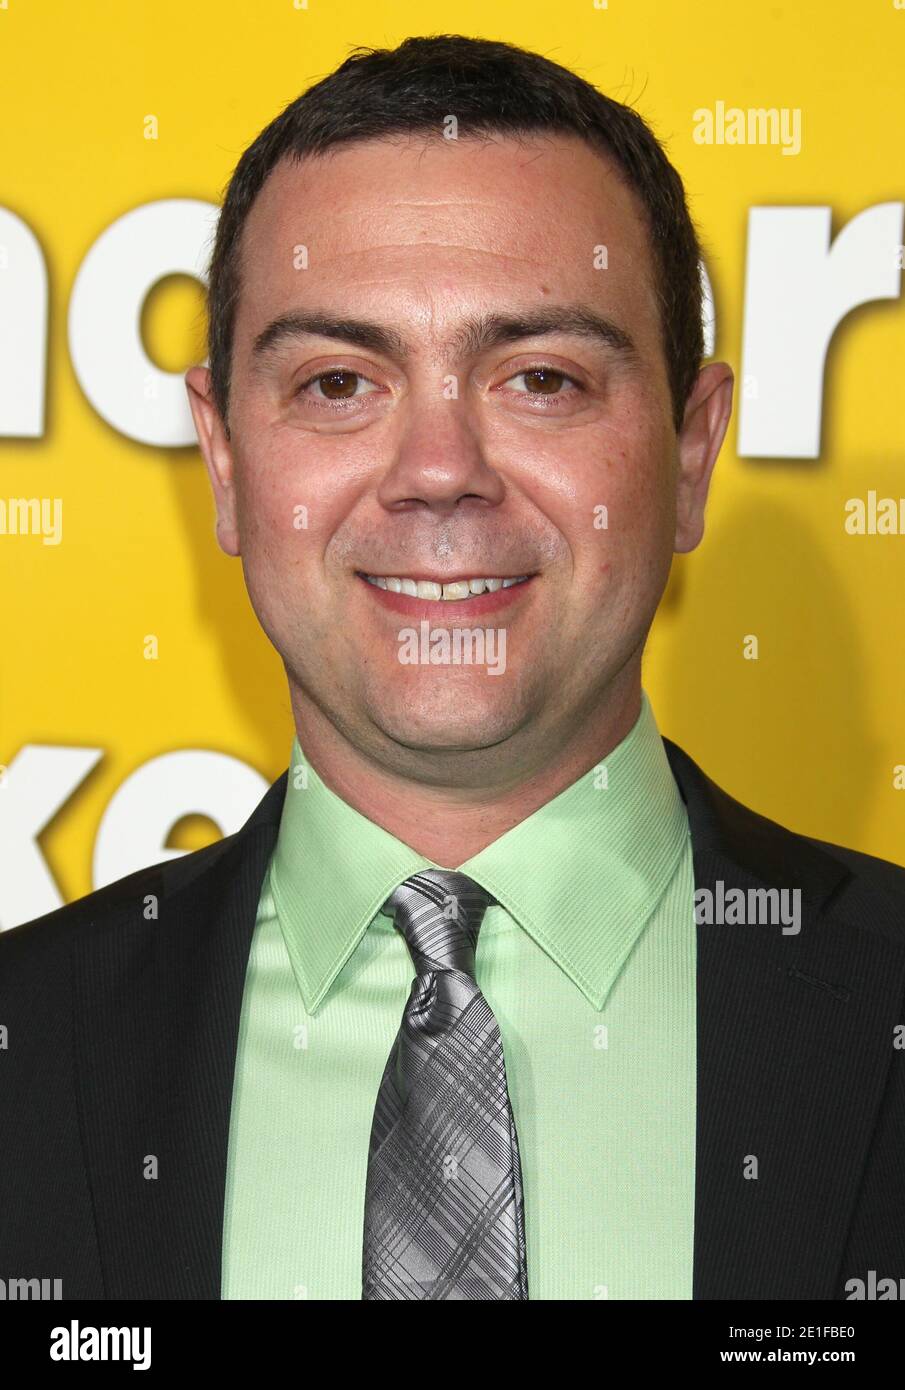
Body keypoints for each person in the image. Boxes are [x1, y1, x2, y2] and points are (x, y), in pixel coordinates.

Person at [2, 34, 903, 1302]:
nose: (437, 468)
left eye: (540, 378)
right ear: (220, 458)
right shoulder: (25, 1049)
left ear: (691, 452)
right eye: (336, 382)